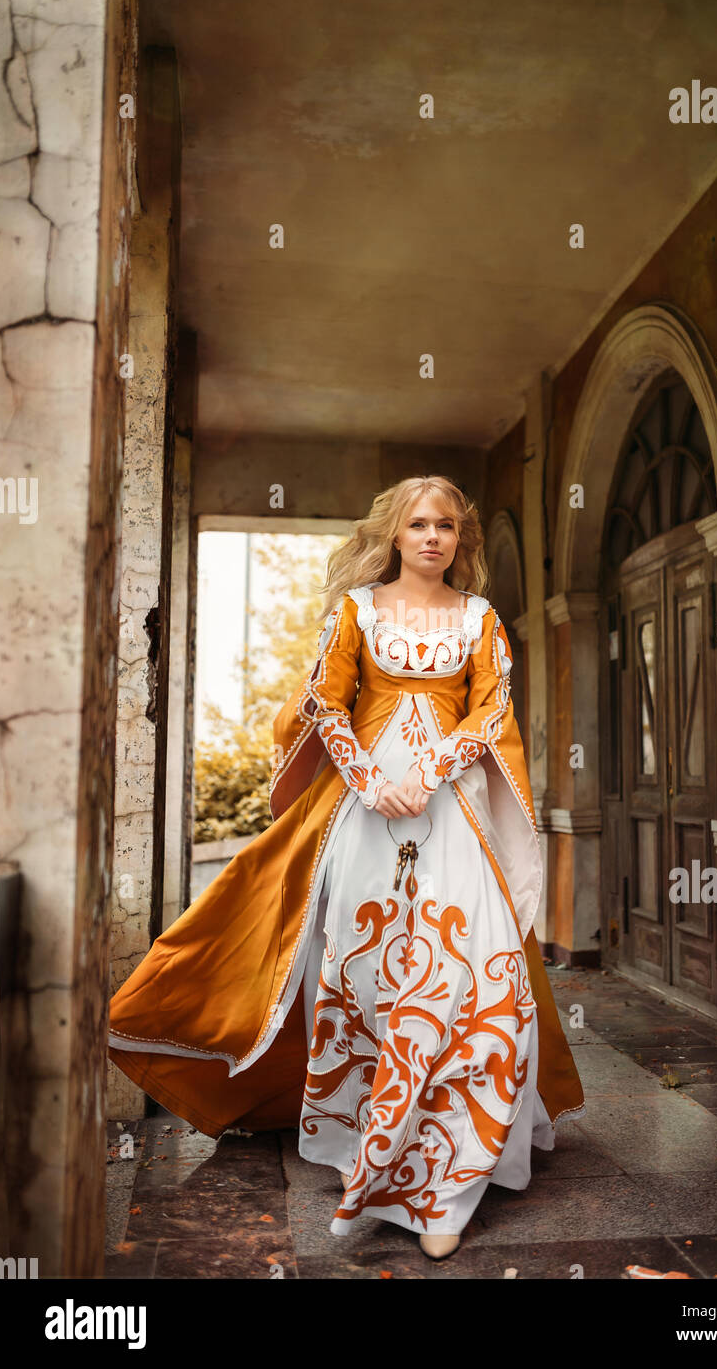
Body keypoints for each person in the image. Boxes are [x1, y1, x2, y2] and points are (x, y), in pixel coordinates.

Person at [108, 474, 586, 1262]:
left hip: (455, 809)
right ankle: (371, 1139)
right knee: (368, 978)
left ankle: (448, 1177)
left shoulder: (481, 618)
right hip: (363, 816)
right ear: (395, 535)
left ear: (459, 539)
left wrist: (430, 771)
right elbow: (326, 704)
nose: (433, 537)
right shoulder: (355, 612)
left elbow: (490, 708)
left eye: (446, 527)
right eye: (418, 525)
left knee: (475, 979)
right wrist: (372, 780)